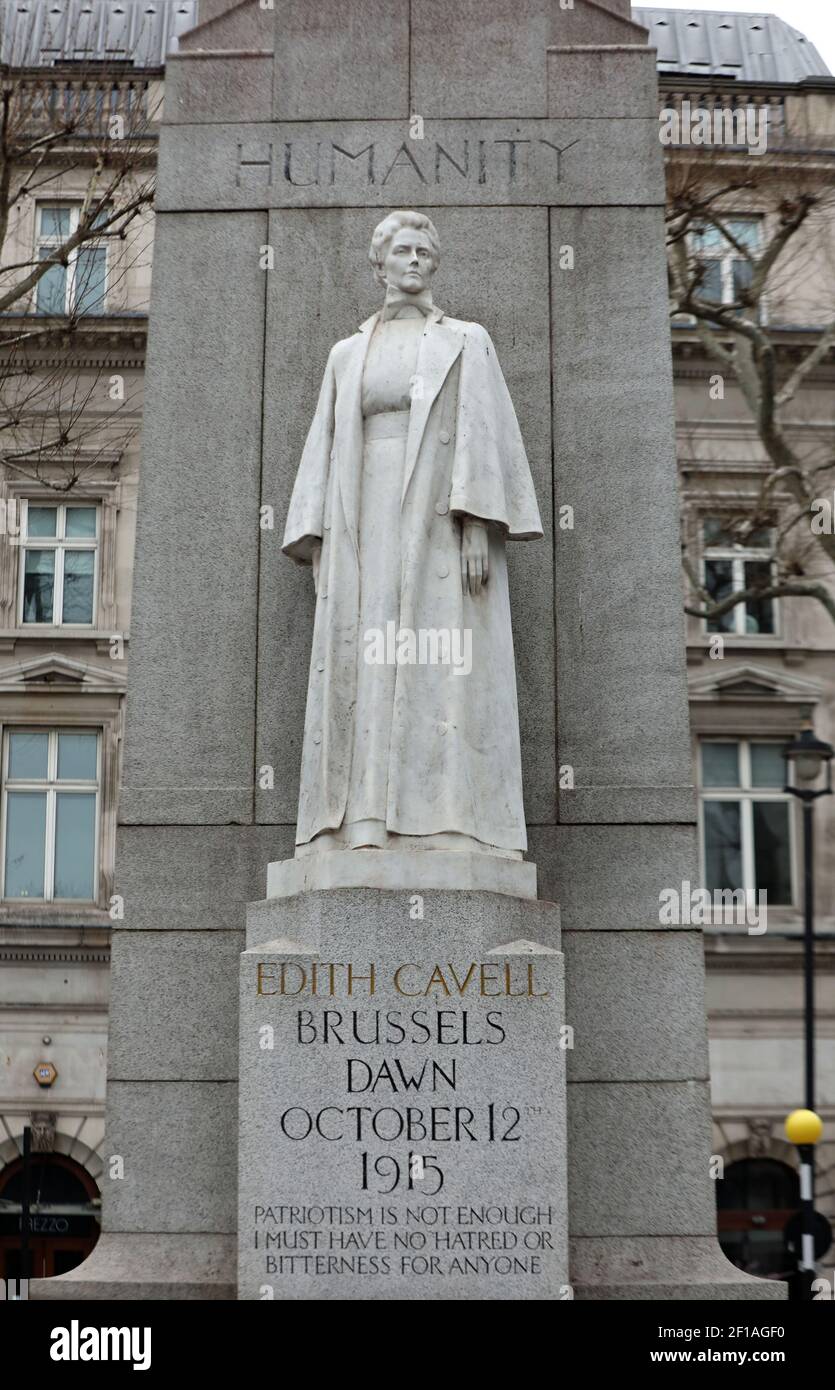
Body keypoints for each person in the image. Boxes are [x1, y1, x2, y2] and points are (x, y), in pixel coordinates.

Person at [283, 210, 542, 858]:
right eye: (401, 250)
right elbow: (325, 443)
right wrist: (317, 539)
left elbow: (485, 435)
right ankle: (359, 822)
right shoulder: (347, 353)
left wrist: (479, 521)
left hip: (437, 520)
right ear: (380, 264)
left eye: (424, 251)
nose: (414, 260)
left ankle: (450, 821)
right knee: (365, 666)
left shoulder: (467, 340)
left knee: (440, 666)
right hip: (363, 517)